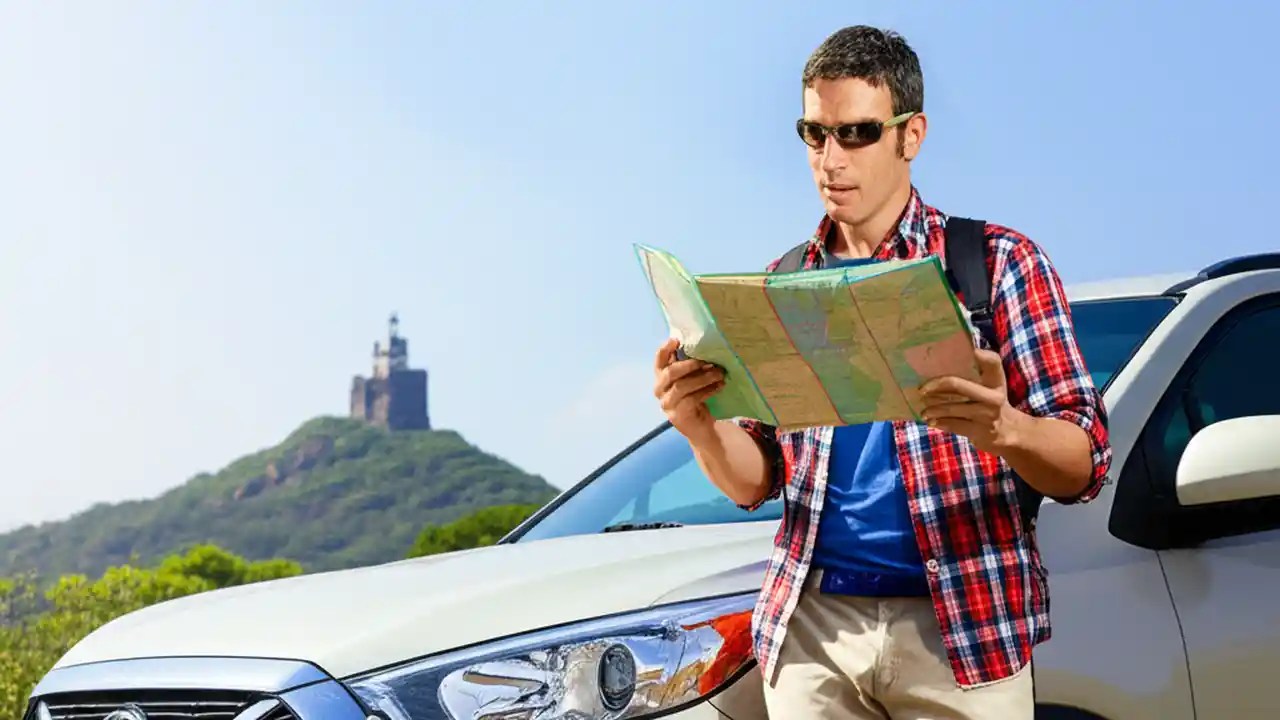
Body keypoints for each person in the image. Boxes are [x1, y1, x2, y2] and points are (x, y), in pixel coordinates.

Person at [651, 25, 1111, 719]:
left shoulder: (998, 266)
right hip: (812, 633)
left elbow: (1085, 463)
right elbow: (759, 478)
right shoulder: (783, 281)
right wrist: (698, 427)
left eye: (857, 133)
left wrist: (1007, 430)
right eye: (814, 134)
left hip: (965, 628)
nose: (831, 159)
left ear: (911, 135)